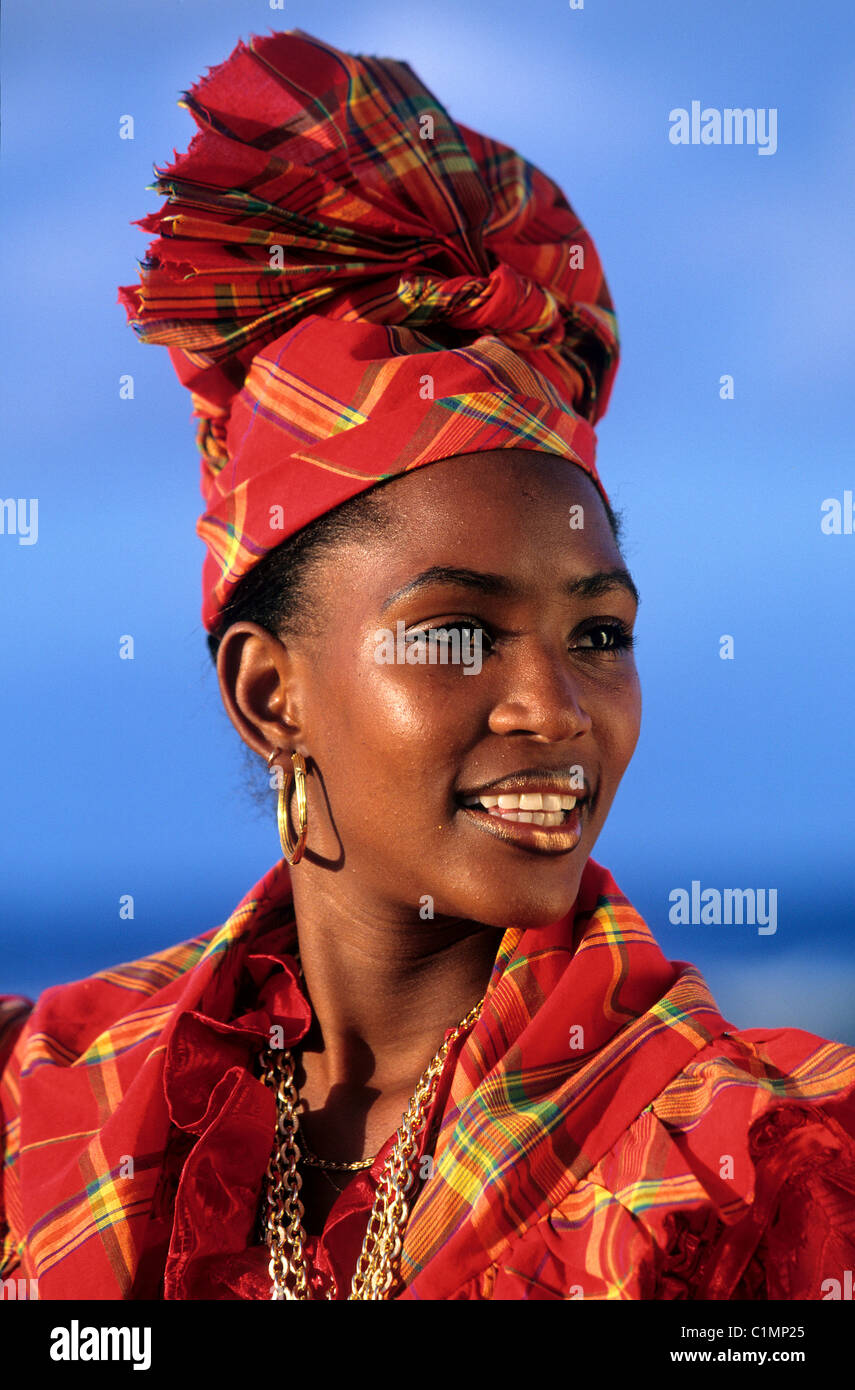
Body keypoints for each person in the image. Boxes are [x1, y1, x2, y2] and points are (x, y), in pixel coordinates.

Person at [2, 27, 854, 1302]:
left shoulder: (762, 1178)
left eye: (598, 633)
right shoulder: (43, 1118)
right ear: (267, 692)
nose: (554, 706)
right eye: (459, 630)